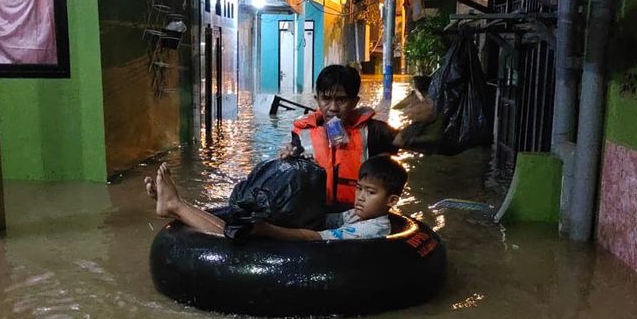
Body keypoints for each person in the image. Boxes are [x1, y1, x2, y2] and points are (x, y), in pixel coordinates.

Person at [145, 155, 408, 241]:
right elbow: (322, 220)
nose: (360, 197)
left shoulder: (373, 228)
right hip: (317, 241)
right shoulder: (357, 214)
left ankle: (175, 205)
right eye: (359, 189)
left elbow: (316, 236)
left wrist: (267, 229)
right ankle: (175, 203)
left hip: (319, 258)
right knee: (242, 223)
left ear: (392, 200)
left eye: (370, 193)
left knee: (240, 237)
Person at [284, 64, 431, 210]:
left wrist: (423, 122)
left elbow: (417, 143)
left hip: (358, 215)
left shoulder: (374, 131)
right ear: (317, 99)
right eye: (326, 99)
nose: (333, 108)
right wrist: (285, 162)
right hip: (316, 215)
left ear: (354, 102)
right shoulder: (303, 134)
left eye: (341, 100)